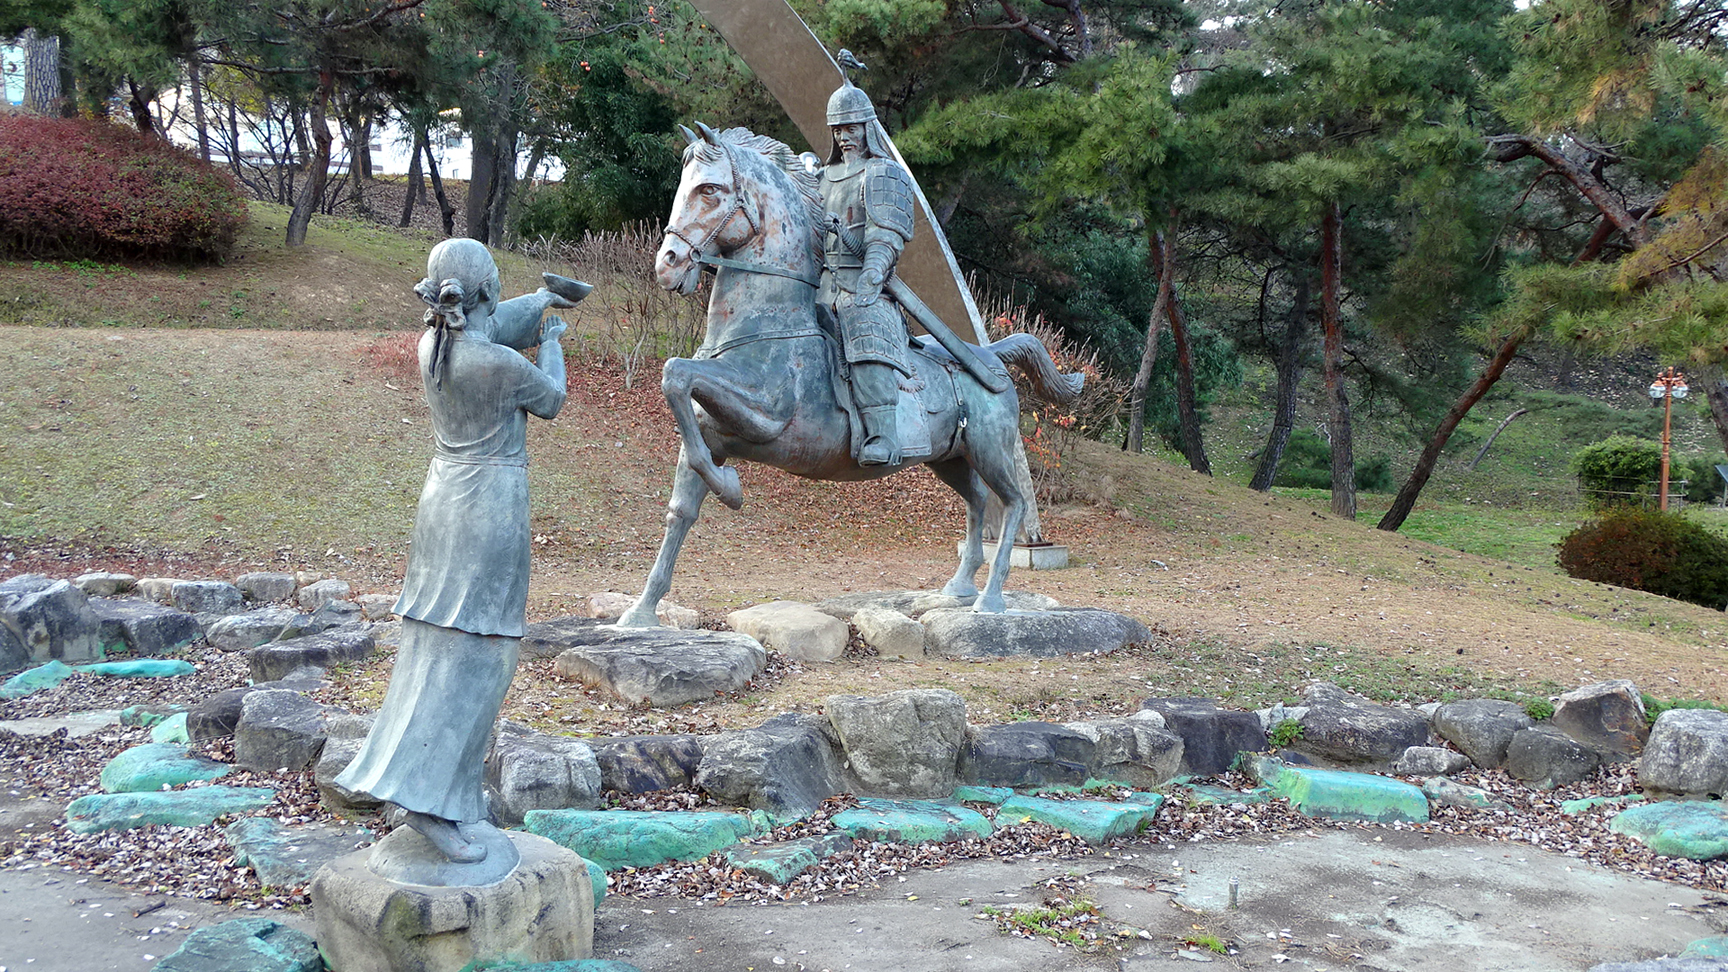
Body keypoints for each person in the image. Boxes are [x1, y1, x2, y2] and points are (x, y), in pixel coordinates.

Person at [334, 238, 583, 865]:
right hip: (487, 513)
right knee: (481, 659)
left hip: (443, 505)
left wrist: (545, 299)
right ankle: (432, 804)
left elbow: (492, 320)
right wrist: (552, 340)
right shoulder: (493, 364)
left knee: (437, 651)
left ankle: (433, 793)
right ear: (484, 293)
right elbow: (551, 398)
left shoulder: (436, 345)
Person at [818, 75, 917, 466]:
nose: (844, 136)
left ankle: (883, 435)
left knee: (865, 331)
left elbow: (885, 237)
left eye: (851, 127)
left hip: (862, 286)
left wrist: (872, 276)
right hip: (821, 280)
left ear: (868, 128)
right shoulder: (821, 178)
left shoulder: (881, 173)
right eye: (838, 128)